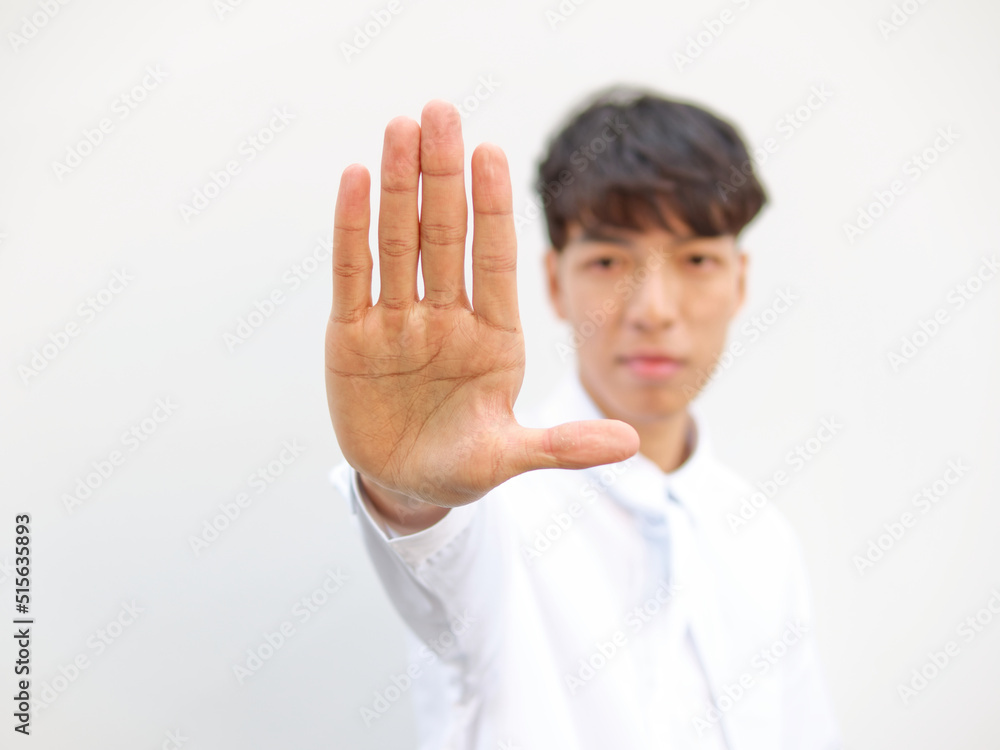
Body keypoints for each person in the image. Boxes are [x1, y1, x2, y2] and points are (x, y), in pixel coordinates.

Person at [326, 85, 841, 749]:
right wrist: (409, 491)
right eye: (607, 260)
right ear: (552, 281)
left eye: (697, 260)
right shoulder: (493, 504)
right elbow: (435, 551)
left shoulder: (765, 542)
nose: (654, 308)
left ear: (739, 281)